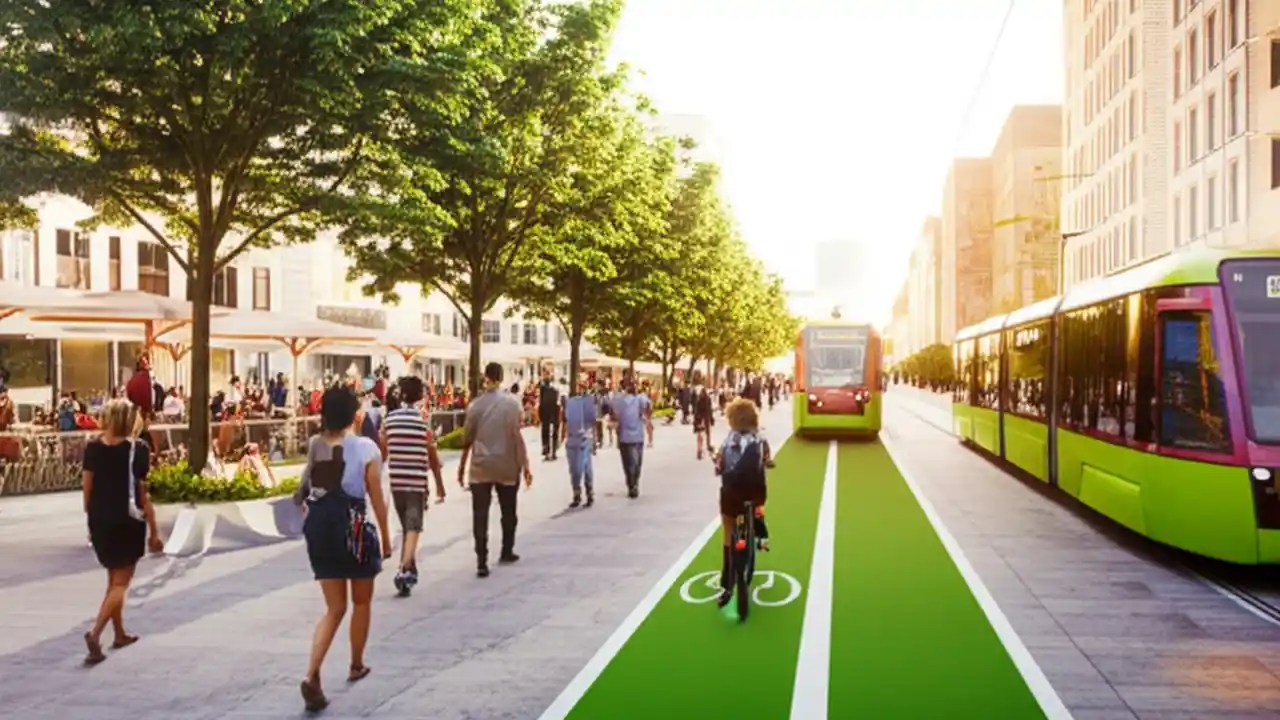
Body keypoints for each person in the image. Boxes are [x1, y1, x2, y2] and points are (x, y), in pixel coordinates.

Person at [296, 386, 391, 713]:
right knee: (361, 600)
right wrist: (387, 536)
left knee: (334, 608)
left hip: (321, 529)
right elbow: (375, 496)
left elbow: (305, 489)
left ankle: (312, 674)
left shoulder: (315, 445)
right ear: (354, 415)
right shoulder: (366, 448)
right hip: (354, 530)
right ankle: (356, 663)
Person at [81, 399, 164, 665]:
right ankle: (96, 633)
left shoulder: (92, 448)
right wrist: (154, 529)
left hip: (100, 521)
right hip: (127, 520)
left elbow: (87, 488)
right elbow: (141, 493)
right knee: (121, 582)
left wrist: (92, 517)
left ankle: (119, 633)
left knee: (112, 578)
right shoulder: (137, 449)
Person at [458, 362, 532, 578]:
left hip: (481, 466)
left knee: (480, 514)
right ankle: (506, 550)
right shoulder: (513, 403)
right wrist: (525, 465)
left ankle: (481, 559)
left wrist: (462, 465)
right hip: (507, 464)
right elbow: (517, 436)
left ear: (485, 377)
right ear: (502, 376)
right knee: (509, 510)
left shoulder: (475, 406)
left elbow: (467, 439)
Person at [382, 376, 446, 598]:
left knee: (407, 525)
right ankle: (403, 570)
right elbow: (432, 455)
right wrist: (439, 484)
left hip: (396, 481)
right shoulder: (421, 421)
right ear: (420, 395)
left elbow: (383, 450)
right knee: (413, 527)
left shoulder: (389, 420)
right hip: (416, 482)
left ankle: (408, 568)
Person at [713, 398, 771, 609]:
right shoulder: (760, 438)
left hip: (731, 494)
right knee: (758, 503)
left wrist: (718, 465)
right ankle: (759, 523)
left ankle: (726, 579)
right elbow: (767, 459)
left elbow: (719, 462)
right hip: (755, 492)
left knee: (728, 527)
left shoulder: (728, 440)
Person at [609, 376, 652, 499]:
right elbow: (648, 408)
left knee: (628, 463)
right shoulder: (639, 399)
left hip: (625, 437)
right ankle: (634, 484)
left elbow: (613, 413)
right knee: (636, 463)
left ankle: (631, 484)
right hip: (636, 436)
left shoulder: (619, 400)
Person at [561, 379, 597, 508]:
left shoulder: (588, 402)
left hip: (584, 439)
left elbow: (592, 422)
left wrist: (594, 441)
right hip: (572, 440)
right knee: (574, 470)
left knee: (586, 469)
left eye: (582, 386)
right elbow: (565, 421)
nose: (580, 389)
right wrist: (563, 436)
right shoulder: (569, 402)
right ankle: (577, 493)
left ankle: (589, 492)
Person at [538, 372, 560, 461]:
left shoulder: (544, 389)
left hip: (548, 413)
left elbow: (541, 401)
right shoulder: (555, 389)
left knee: (546, 433)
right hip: (552, 412)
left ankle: (548, 451)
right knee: (552, 433)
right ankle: (552, 452)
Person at [692, 375, 715, 461]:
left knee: (700, 434)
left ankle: (700, 449)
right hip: (704, 417)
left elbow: (695, 407)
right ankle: (705, 447)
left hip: (699, 416)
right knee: (705, 433)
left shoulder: (696, 394)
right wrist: (711, 418)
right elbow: (709, 409)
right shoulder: (705, 396)